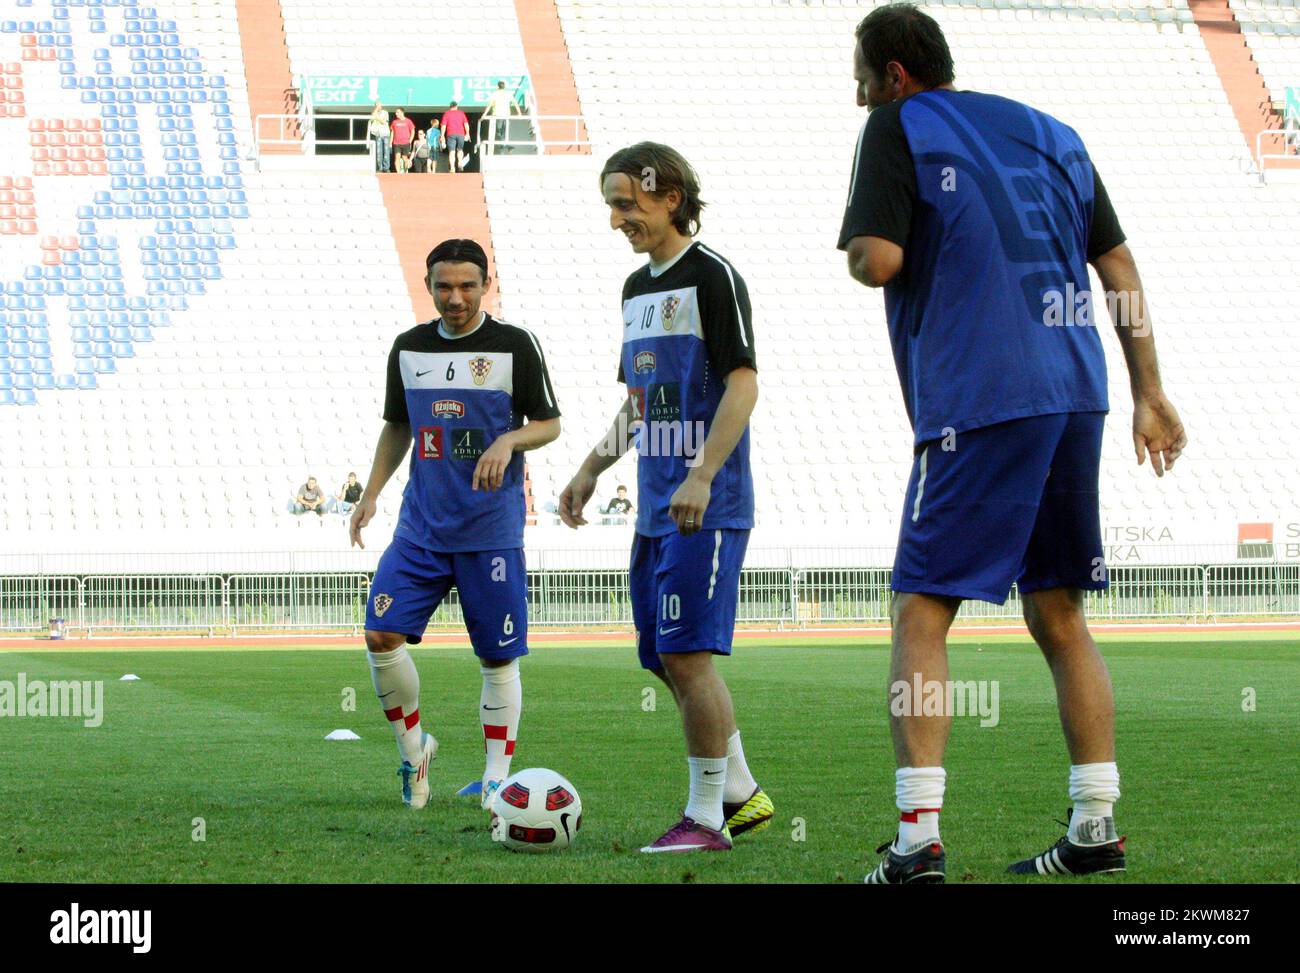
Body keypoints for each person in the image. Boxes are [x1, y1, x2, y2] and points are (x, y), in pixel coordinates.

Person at [839, 4, 1186, 884]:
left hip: (981, 398)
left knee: (920, 609)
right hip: (1077, 394)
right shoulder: (1054, 130)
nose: (856, 94)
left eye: (860, 76)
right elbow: (1120, 271)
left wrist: (858, 252)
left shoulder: (895, 123)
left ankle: (917, 840)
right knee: (1061, 614)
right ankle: (1095, 822)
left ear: (894, 74)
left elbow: (877, 258)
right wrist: (1149, 390)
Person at [559, 142, 772, 853]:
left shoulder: (713, 276)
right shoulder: (634, 290)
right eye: (612, 206)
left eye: (627, 203)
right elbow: (640, 403)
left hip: (704, 502)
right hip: (655, 504)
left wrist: (704, 471)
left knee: (685, 656)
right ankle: (739, 792)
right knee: (660, 653)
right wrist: (591, 467)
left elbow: (743, 381)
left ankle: (707, 817)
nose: (618, 219)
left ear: (669, 196)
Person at [351, 238, 561, 818]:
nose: (456, 297)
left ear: (485, 285)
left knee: (496, 659)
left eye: (467, 285)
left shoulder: (514, 345)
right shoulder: (408, 349)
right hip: (419, 528)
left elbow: (549, 424)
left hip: (490, 530)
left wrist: (509, 438)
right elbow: (398, 427)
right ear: (429, 287)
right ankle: (415, 754)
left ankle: (496, 779)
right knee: (379, 635)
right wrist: (370, 495)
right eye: (444, 286)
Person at [484, 80, 518, 155]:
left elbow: (490, 104)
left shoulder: (495, 94)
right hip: (506, 115)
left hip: (498, 115)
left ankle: (504, 145)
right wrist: (519, 113)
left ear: (497, 86)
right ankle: (505, 145)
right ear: (504, 86)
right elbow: (515, 103)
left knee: (499, 132)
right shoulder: (508, 94)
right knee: (504, 132)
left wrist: (484, 114)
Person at [441, 101, 471, 173]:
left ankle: (452, 168)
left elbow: (443, 125)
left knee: (452, 151)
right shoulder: (461, 113)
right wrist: (467, 133)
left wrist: (442, 135)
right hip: (461, 133)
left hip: (450, 134)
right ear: (456, 106)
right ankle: (460, 163)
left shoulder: (446, 113)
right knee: (460, 150)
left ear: (450, 106)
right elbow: (466, 124)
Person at [390, 108, 416, 175]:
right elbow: (392, 132)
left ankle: (405, 172)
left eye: (397, 112)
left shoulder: (408, 121)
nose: (396, 114)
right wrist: (390, 142)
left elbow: (413, 131)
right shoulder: (394, 122)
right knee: (397, 157)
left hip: (406, 143)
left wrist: (410, 140)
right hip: (396, 143)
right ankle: (398, 173)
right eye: (396, 112)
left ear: (402, 113)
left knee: (405, 158)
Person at [368, 101, 390, 173]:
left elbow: (383, 122)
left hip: (385, 133)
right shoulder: (374, 112)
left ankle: (386, 168)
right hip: (377, 134)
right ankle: (379, 167)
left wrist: (376, 117)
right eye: (376, 105)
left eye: (379, 105)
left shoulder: (385, 112)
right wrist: (376, 110)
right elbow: (371, 118)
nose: (378, 106)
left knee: (386, 151)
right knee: (378, 151)